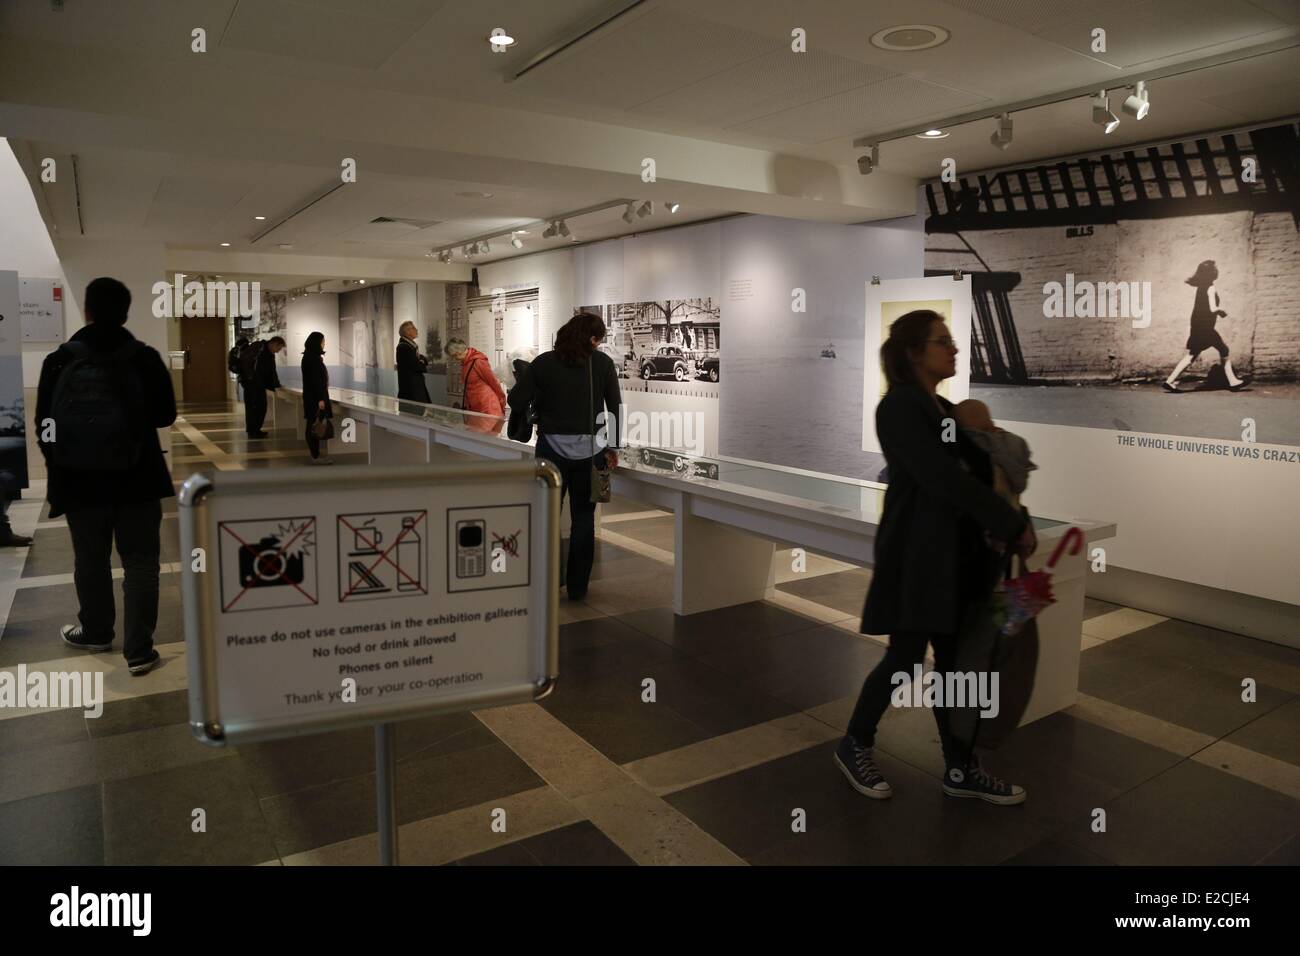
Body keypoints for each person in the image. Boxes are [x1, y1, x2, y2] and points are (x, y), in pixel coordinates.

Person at [838, 309, 1035, 806]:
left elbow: (970, 468)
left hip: (955, 557)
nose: (953, 349)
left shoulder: (941, 411)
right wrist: (1008, 520)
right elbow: (942, 479)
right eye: (942, 341)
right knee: (904, 658)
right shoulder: (900, 409)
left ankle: (960, 765)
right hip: (918, 556)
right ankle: (854, 743)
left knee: (953, 665)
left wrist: (1017, 514)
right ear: (913, 352)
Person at [35, 276, 176, 676]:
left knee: (90, 559)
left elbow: (44, 425)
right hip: (136, 479)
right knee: (141, 562)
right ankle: (139, 652)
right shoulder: (144, 357)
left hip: (79, 482)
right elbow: (166, 415)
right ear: (126, 312)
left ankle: (96, 630)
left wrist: (63, 459)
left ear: (87, 310)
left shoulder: (59, 360)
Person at [508, 312, 621, 600]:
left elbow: (516, 400)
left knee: (546, 516)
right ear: (593, 339)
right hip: (592, 453)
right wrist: (614, 446)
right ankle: (578, 587)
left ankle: (546, 580)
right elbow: (615, 408)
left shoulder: (544, 362)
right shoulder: (603, 364)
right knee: (584, 519)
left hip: (550, 452)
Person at [1164, 259, 1245, 392]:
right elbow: (1212, 308)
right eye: (1214, 269)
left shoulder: (1200, 287)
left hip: (1197, 326)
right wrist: (1221, 311)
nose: (1216, 271)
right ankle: (1233, 382)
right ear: (1211, 273)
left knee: (1192, 355)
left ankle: (1170, 381)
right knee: (1224, 350)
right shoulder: (1211, 287)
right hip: (1206, 328)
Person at [954, 399, 1036, 512]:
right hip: (1011, 512)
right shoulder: (1014, 443)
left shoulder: (958, 446)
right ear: (991, 423)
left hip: (977, 514)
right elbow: (1021, 483)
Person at [447, 339, 507, 418]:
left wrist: (502, 401)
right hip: (476, 407)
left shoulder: (478, 361)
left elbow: (493, 382)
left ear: (458, 352)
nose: (454, 359)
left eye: (453, 356)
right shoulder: (465, 363)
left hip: (487, 407)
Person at [239, 336, 284, 437]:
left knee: (261, 407)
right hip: (251, 384)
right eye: (279, 348)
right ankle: (252, 431)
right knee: (253, 407)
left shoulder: (269, 353)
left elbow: (272, 371)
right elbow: (247, 364)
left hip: (259, 384)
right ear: (273, 344)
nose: (278, 351)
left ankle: (255, 430)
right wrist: (250, 378)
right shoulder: (258, 348)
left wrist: (276, 384)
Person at [301, 331, 333, 465]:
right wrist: (320, 399)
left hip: (313, 397)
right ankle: (315, 455)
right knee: (313, 425)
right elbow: (315, 381)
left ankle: (316, 454)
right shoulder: (312, 358)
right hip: (315, 398)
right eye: (322, 341)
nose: (324, 343)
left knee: (313, 424)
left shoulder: (310, 356)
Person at [395, 320, 432, 409]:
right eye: (413, 328)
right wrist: (421, 362)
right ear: (407, 332)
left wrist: (421, 361)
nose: (416, 330)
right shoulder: (404, 347)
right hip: (411, 390)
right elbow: (417, 366)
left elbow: (422, 359)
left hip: (415, 388)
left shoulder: (410, 346)